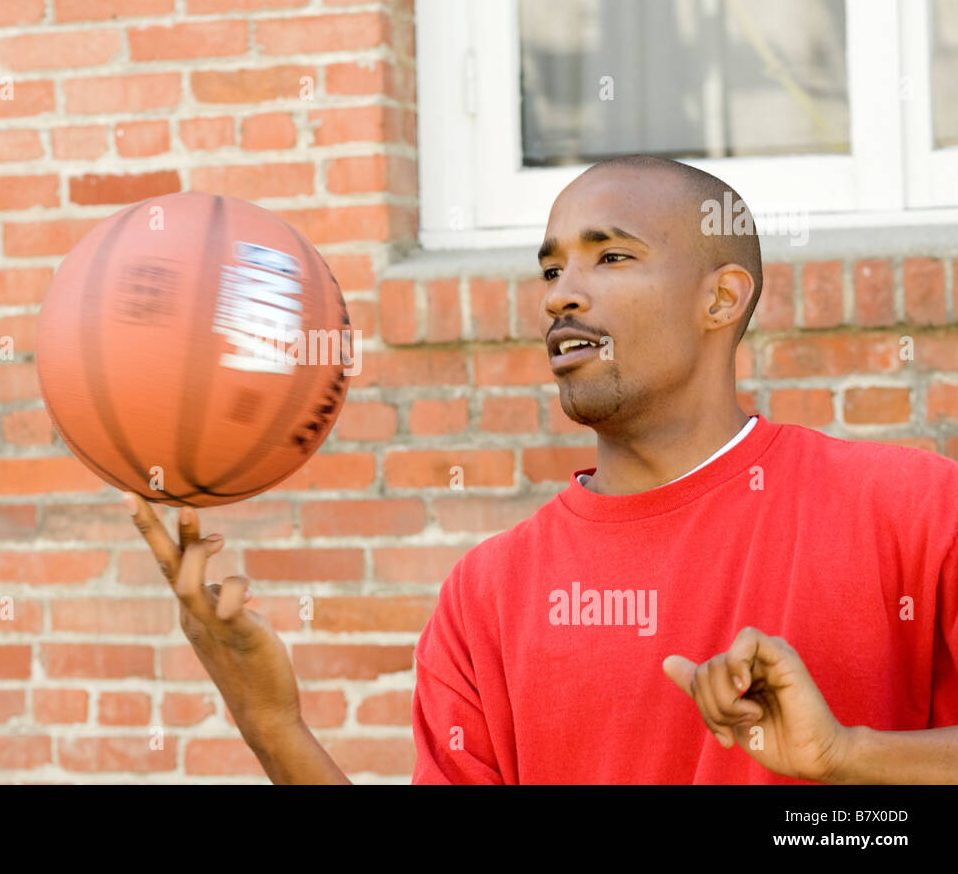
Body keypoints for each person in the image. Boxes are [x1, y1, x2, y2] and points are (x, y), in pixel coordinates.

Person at [123, 155, 958, 784]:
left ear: (722, 298)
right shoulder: (486, 595)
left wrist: (850, 758)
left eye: (611, 258)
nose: (561, 292)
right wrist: (273, 724)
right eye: (551, 267)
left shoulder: (914, 510)